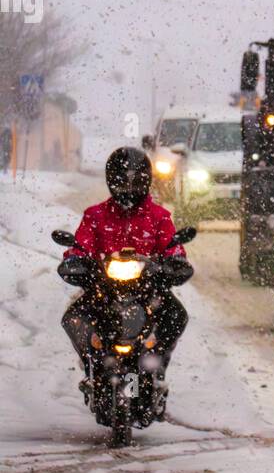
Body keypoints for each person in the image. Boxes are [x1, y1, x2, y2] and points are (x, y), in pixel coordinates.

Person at [60, 147, 189, 374]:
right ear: (110, 182)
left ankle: (156, 365)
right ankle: (92, 363)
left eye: (135, 183)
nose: (129, 189)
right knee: (73, 317)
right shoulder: (95, 215)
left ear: (147, 182)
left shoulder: (159, 217)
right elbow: (81, 245)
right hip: (103, 288)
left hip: (148, 289)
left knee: (176, 315)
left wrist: (175, 262)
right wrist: (76, 260)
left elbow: (172, 247)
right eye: (122, 182)